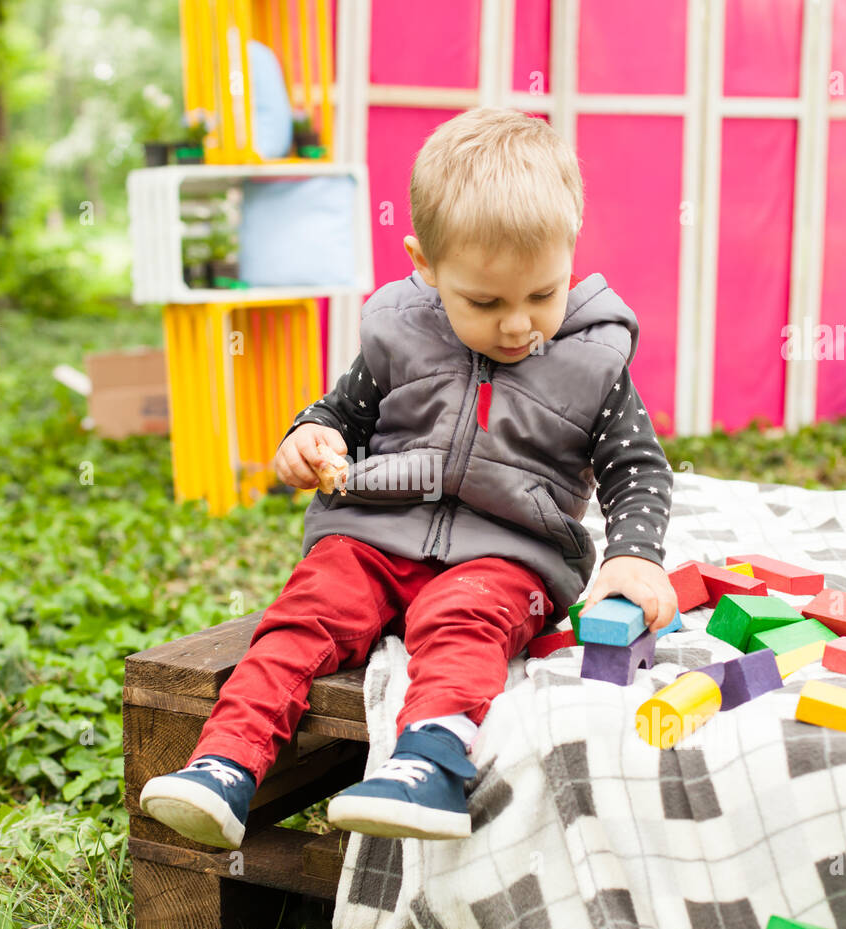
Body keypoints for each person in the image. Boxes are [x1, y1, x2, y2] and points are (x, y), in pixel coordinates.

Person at [139, 107, 678, 849]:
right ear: (425, 265)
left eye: (541, 295)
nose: (519, 325)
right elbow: (341, 410)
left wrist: (634, 554)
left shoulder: (593, 363)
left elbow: (636, 468)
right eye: (485, 302)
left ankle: (429, 764)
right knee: (305, 612)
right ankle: (225, 763)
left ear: (570, 251)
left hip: (506, 554)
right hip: (374, 532)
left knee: (461, 621)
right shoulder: (399, 330)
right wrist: (312, 436)